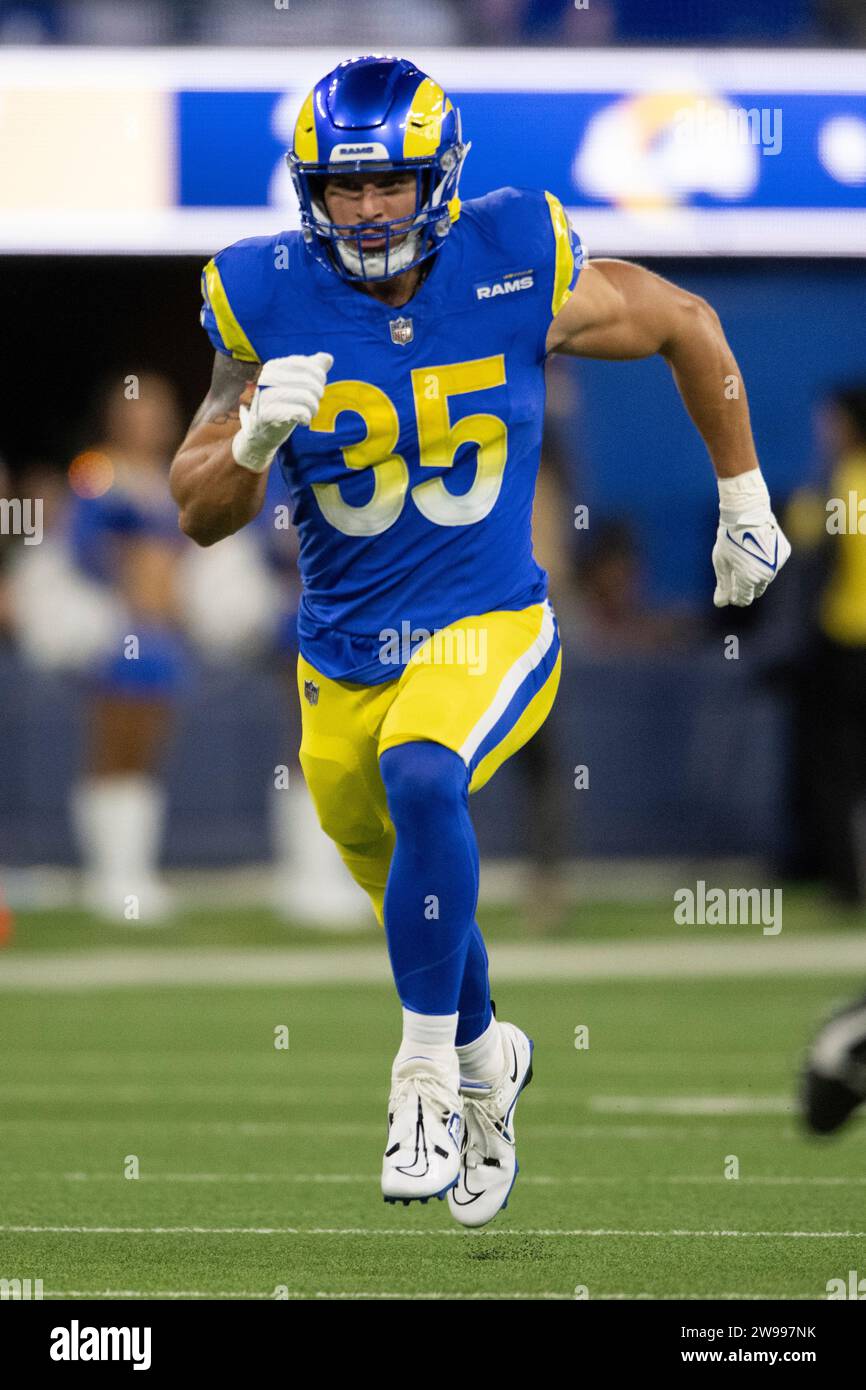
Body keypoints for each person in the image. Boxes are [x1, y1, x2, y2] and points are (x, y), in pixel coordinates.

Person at [169, 55, 790, 1225]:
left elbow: (682, 320)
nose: (364, 211)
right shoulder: (260, 296)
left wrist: (744, 495)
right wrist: (251, 442)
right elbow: (195, 511)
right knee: (415, 886)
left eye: (388, 186)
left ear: (438, 179)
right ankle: (482, 1059)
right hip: (339, 657)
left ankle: (418, 1082)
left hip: (487, 619)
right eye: (341, 190)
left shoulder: (514, 261)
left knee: (423, 770)